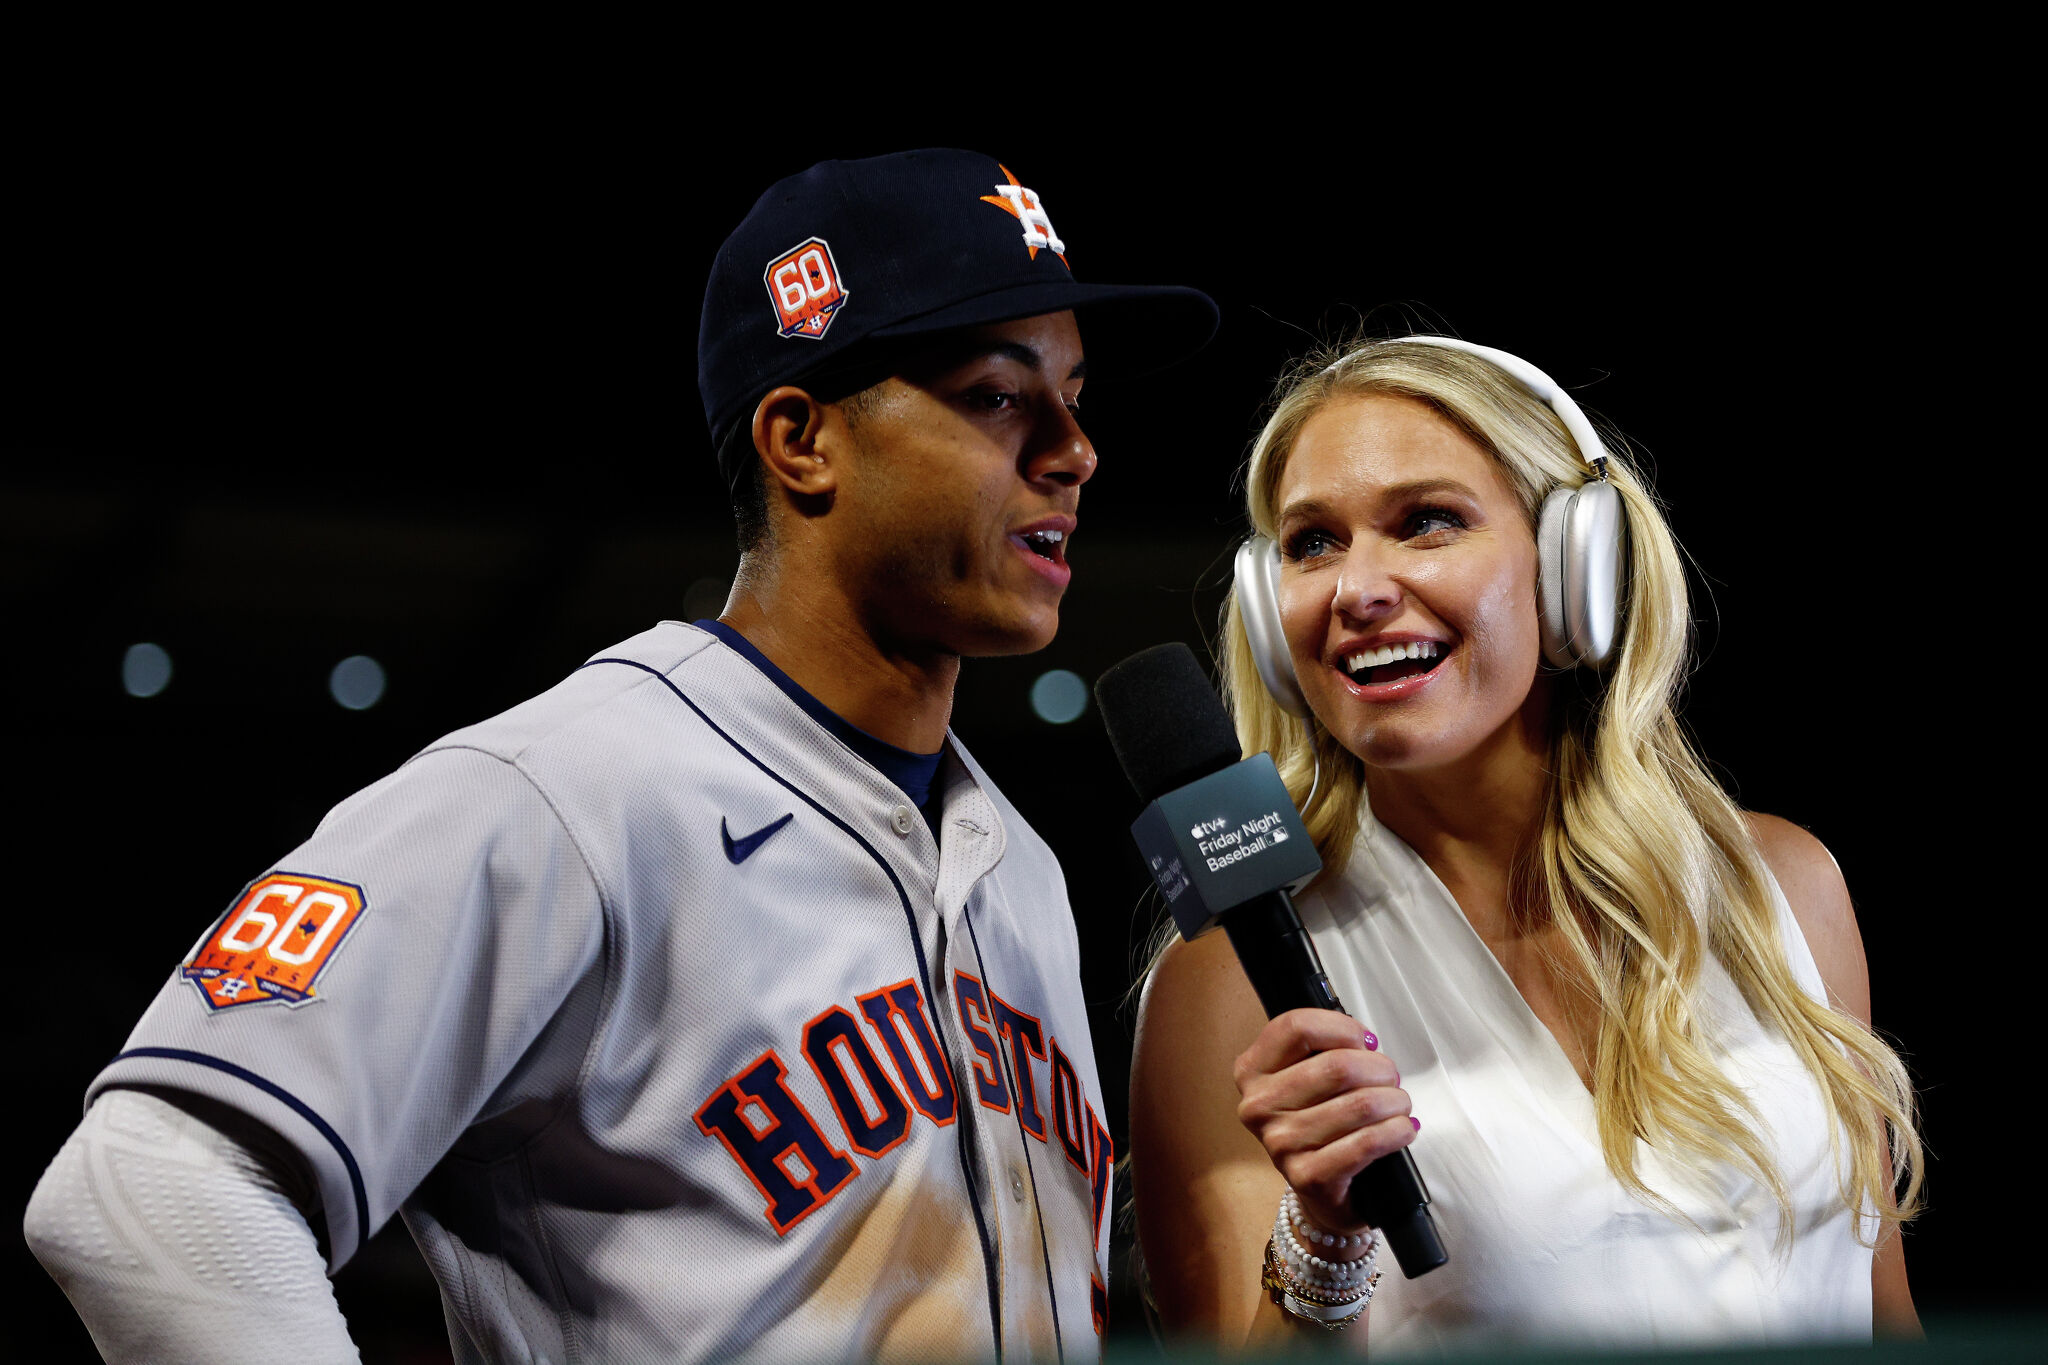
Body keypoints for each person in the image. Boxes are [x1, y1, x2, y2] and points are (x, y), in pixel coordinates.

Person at [25, 149, 1217, 1363]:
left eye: (1076, 394)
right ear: (801, 439)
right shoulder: (562, 791)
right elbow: (146, 1189)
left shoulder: (1018, 864)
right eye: (997, 394)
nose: (1075, 449)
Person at [1128, 335, 1923, 1354]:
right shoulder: (1226, 987)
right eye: (1311, 543)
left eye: (1424, 523)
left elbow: (1883, 1313)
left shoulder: (1782, 883)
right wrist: (1323, 1241)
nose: (1355, 589)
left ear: (1571, 564)